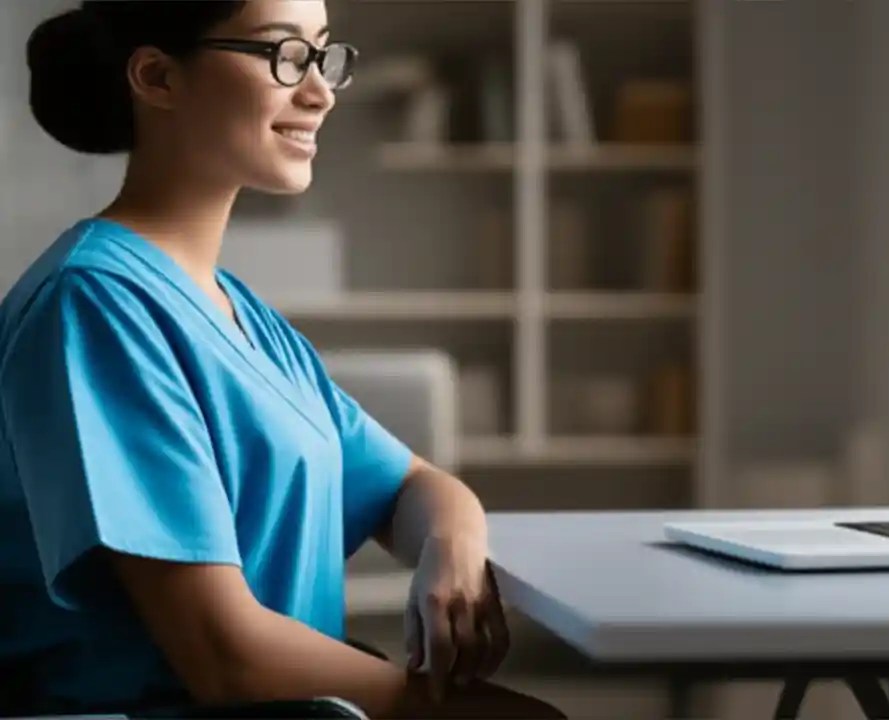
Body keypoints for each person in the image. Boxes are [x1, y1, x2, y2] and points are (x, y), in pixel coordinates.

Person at [0, 2, 562, 717]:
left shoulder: (240, 312)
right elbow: (222, 656)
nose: (321, 90)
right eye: (283, 55)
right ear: (157, 77)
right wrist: (445, 707)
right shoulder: (94, 305)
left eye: (322, 55)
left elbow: (413, 485)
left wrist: (451, 549)